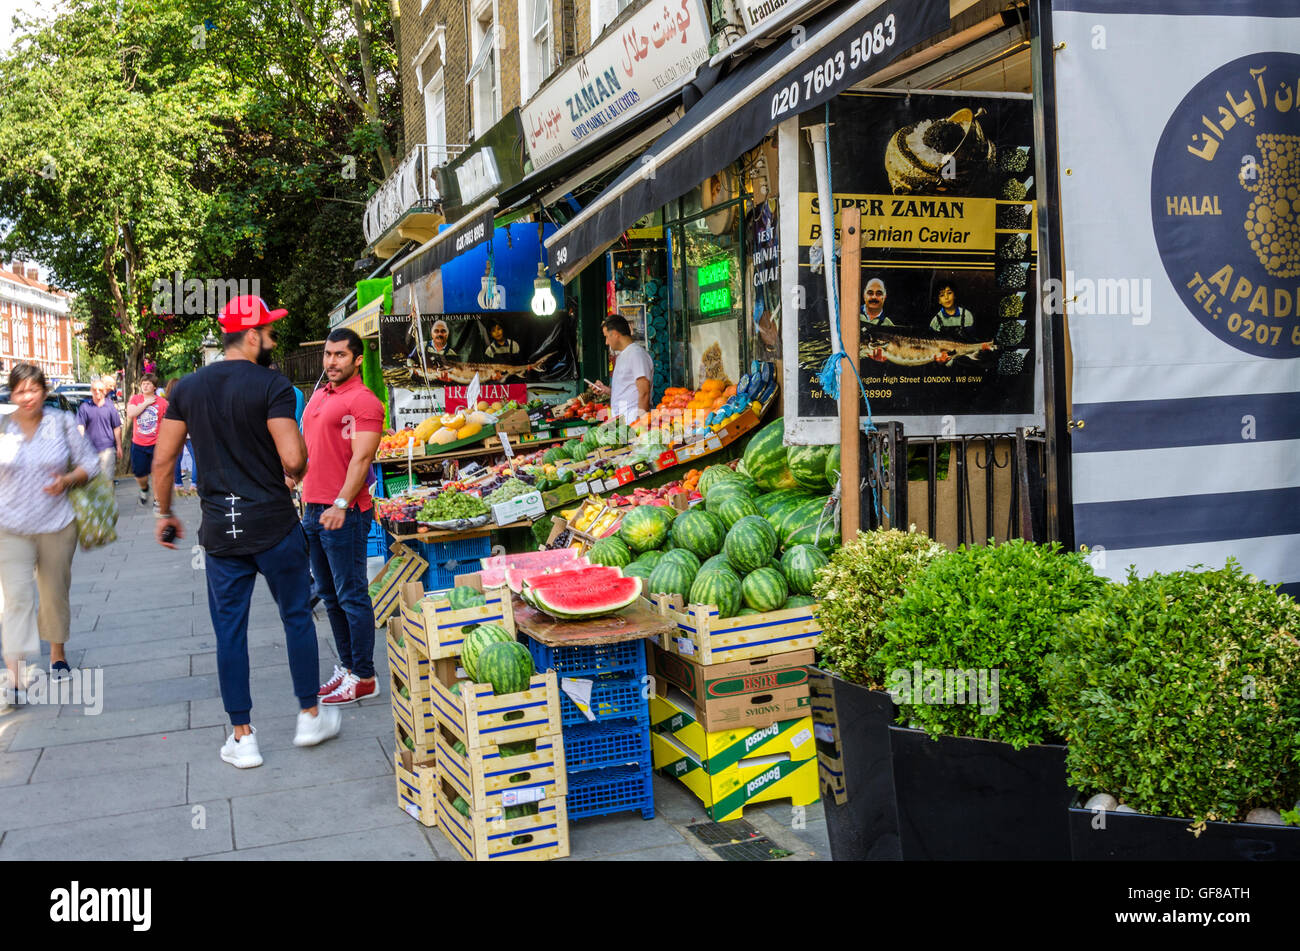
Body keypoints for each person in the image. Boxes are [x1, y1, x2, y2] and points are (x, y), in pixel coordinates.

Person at [153, 295, 341, 768]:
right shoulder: (272, 384)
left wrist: (165, 512)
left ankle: (243, 737)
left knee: (229, 633)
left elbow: (163, 460)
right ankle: (309, 715)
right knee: (296, 616)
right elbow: (294, 459)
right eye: (270, 332)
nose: (273, 340)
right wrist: (293, 464)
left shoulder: (188, 389)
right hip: (274, 525)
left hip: (221, 532)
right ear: (252, 335)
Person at [0, 363, 99, 708]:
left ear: (44, 391)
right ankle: (15, 678)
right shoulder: (2, 428)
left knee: (53, 592)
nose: (27, 397)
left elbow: (91, 462)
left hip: (57, 523)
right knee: (16, 599)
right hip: (9, 526)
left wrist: (68, 480)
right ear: (12, 394)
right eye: (20, 391)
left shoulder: (61, 423)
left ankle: (57, 654)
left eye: (33, 390)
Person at [301, 328, 385, 704]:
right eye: (327, 354)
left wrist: (341, 503)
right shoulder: (321, 394)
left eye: (339, 355)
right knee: (329, 595)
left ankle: (366, 675)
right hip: (312, 508)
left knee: (352, 595)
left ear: (357, 360)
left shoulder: (364, 401)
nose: (331, 361)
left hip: (344, 511)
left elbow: (361, 458)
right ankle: (349, 667)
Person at [589, 315, 653, 423]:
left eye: (607, 337)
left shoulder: (636, 354)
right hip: (621, 422)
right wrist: (606, 390)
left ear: (615, 334)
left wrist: (640, 424)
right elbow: (627, 389)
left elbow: (644, 392)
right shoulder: (622, 356)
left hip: (632, 421)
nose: (606, 342)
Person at [126, 373, 168, 508]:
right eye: (143, 383)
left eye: (148, 383)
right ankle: (144, 489)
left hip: (157, 444)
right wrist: (145, 403)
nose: (145, 386)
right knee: (139, 475)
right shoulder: (135, 399)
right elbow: (131, 414)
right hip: (139, 444)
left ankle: (157, 500)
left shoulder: (162, 403)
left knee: (157, 473)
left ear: (154, 387)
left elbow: (168, 421)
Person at [75, 379, 122, 479]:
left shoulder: (110, 408)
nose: (97, 392)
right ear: (91, 391)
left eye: (100, 389)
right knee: (91, 482)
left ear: (104, 391)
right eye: (94, 389)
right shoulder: (85, 407)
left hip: (107, 450)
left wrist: (119, 446)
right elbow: (80, 427)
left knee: (107, 481)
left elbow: (117, 428)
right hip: (89, 450)